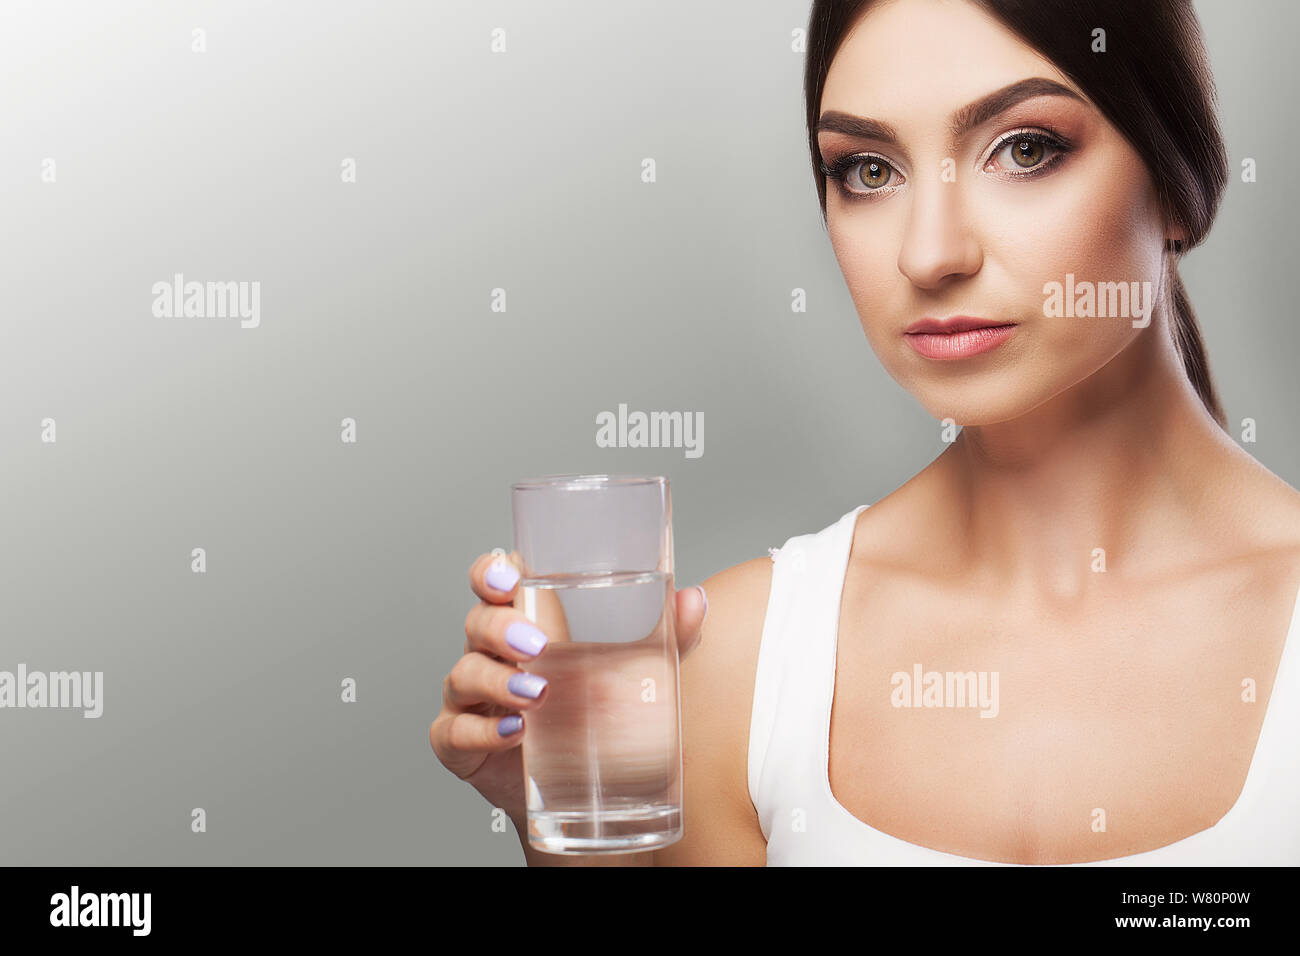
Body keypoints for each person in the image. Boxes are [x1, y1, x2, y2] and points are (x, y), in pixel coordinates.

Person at [432, 0, 1300, 865]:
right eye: (870, 170)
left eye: (1024, 149)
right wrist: (573, 843)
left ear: (1178, 180)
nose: (928, 255)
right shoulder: (735, 664)